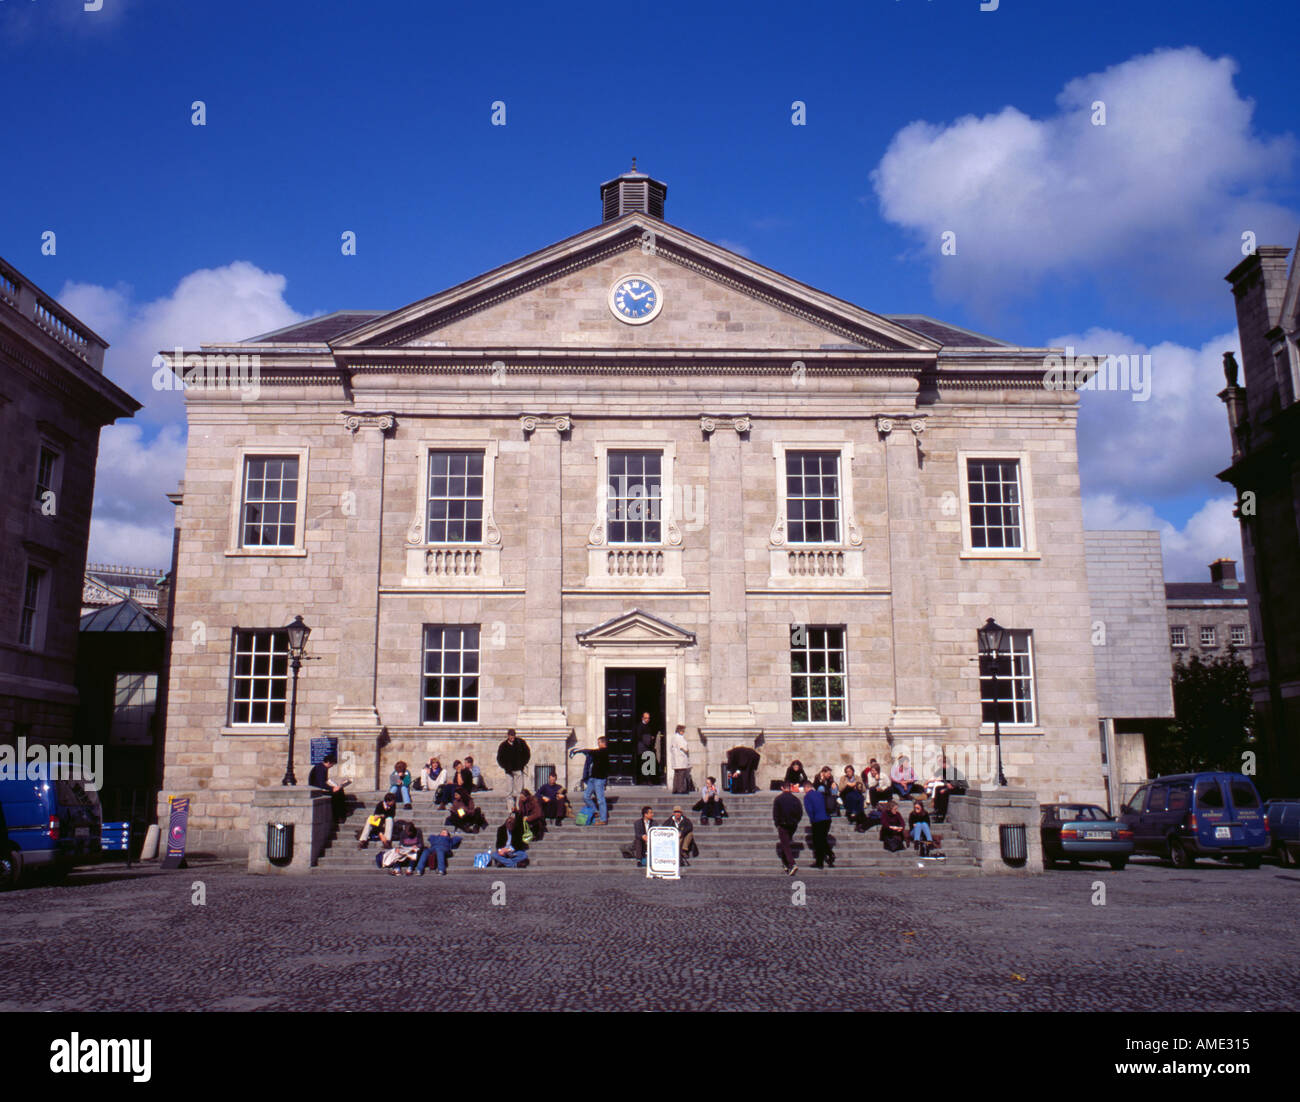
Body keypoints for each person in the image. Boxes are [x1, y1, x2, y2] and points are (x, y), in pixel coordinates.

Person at [803, 776, 835, 869]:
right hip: (827, 819)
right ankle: (830, 854)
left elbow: (809, 810)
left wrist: (812, 821)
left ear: (806, 787)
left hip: (818, 820)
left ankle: (819, 862)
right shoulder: (819, 794)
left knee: (818, 842)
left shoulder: (807, 796)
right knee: (823, 839)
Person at [772, 781, 803, 875]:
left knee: (785, 844)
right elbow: (800, 812)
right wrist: (796, 821)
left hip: (783, 824)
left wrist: (777, 823)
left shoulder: (778, 799)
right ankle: (786, 864)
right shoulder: (795, 799)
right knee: (786, 842)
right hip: (793, 824)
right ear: (790, 788)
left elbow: (775, 813)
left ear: (782, 788)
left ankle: (792, 864)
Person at [307, 753, 350, 819]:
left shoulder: (322, 767)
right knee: (338, 794)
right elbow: (321, 784)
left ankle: (342, 813)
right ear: (329, 762)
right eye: (332, 764)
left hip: (320, 788)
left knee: (339, 790)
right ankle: (340, 815)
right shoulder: (320, 768)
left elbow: (326, 781)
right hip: (317, 790)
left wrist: (335, 786)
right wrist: (332, 789)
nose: (332, 766)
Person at [927, 754, 968, 822]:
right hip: (952, 787)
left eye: (939, 763)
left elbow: (954, 785)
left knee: (944, 793)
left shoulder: (952, 770)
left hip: (959, 789)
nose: (939, 765)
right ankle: (936, 809)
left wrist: (945, 789)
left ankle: (941, 816)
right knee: (938, 788)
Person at [580, 737, 611, 825]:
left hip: (599, 779)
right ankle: (595, 811)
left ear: (603, 743)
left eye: (599, 743)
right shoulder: (598, 752)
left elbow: (593, 752)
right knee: (586, 796)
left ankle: (603, 819)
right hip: (592, 778)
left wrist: (581, 750)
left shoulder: (604, 752)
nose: (598, 744)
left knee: (600, 799)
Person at [497, 729, 531, 803]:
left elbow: (527, 753)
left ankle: (519, 808)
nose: (512, 737)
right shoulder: (503, 745)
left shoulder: (520, 743)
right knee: (509, 791)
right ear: (508, 736)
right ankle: (511, 810)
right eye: (511, 735)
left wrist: (522, 764)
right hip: (508, 770)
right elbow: (499, 758)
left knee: (519, 790)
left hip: (518, 769)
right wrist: (505, 766)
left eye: (513, 735)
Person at [633, 711, 657, 785]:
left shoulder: (649, 725)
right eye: (646, 718)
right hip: (642, 748)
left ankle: (648, 780)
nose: (647, 719)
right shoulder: (639, 726)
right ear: (642, 718)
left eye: (648, 718)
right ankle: (646, 780)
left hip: (648, 747)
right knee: (644, 764)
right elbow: (639, 736)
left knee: (649, 764)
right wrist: (650, 738)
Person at [668, 724, 692, 793]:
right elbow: (683, 747)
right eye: (682, 730)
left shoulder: (673, 737)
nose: (683, 732)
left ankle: (675, 789)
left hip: (676, 759)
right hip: (681, 758)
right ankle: (680, 789)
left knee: (676, 774)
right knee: (681, 775)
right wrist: (686, 751)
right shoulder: (679, 738)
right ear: (679, 730)